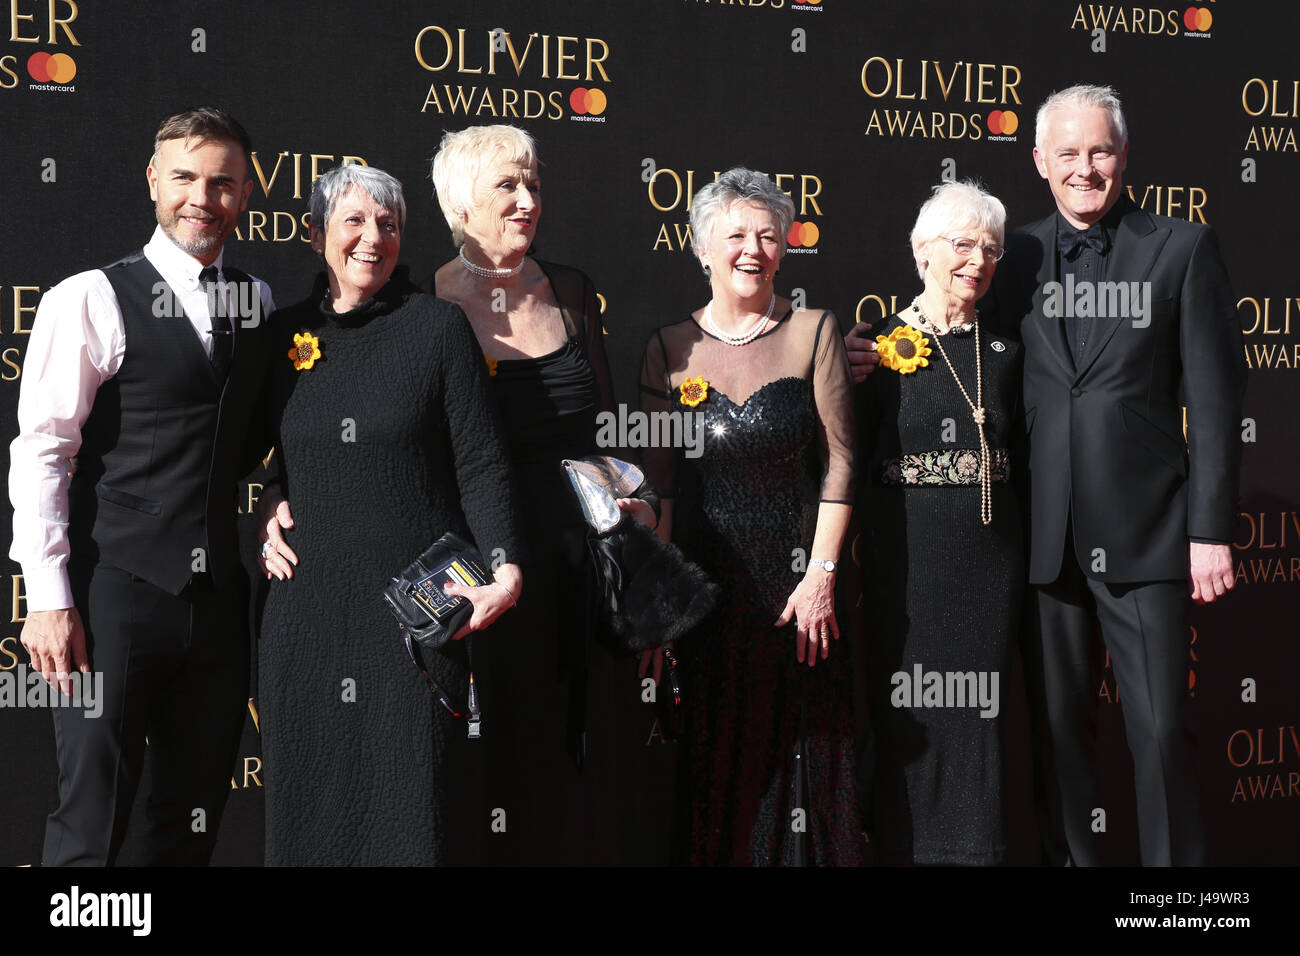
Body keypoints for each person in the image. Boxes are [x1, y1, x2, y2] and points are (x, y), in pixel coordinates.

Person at [987, 85, 1245, 865]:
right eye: (1067, 153)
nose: (1085, 168)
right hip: (1044, 537)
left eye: (1100, 151)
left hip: (1150, 534)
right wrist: (871, 348)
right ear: (1040, 161)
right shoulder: (1013, 257)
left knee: (1163, 733)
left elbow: (1217, 397)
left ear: (1124, 157)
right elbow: (956, 346)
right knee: (1060, 739)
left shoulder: (1182, 248)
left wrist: (1209, 531)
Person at [10, 106, 275, 865]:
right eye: (186, 177)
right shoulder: (87, 298)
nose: (204, 196)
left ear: (246, 194)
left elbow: (263, 434)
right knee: (90, 827)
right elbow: (44, 454)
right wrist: (49, 599)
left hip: (218, 605)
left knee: (188, 829)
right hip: (111, 597)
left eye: (223, 182)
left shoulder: (257, 301)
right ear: (154, 181)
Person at [255, 163, 525, 866]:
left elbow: (482, 463)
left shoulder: (437, 330)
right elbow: (242, 457)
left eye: (389, 224)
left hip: (414, 619)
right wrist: (258, 502)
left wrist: (505, 569)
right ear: (315, 236)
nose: (373, 238)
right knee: (311, 811)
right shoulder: (280, 336)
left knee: (412, 812)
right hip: (306, 617)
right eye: (354, 221)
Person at [429, 124, 660, 865]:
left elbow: (600, 431)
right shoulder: (427, 302)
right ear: (461, 201)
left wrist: (636, 501)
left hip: (581, 558)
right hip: (488, 563)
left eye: (533, 182)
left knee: (584, 750)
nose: (528, 199)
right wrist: (278, 491)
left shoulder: (570, 290)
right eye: (508, 185)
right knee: (500, 750)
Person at [639, 167, 862, 866]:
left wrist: (821, 576)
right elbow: (661, 487)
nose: (753, 249)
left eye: (769, 235)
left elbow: (841, 464)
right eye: (735, 234)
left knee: (804, 762)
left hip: (798, 602)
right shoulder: (668, 348)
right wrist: (658, 607)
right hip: (706, 599)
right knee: (716, 766)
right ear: (701, 246)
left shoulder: (812, 331)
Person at [855, 181, 1023, 864]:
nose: (977, 259)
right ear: (923, 252)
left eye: (991, 248)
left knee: (978, 720)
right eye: (962, 244)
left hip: (991, 570)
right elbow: (843, 467)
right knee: (910, 716)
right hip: (907, 567)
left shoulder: (1010, 355)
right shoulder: (873, 352)